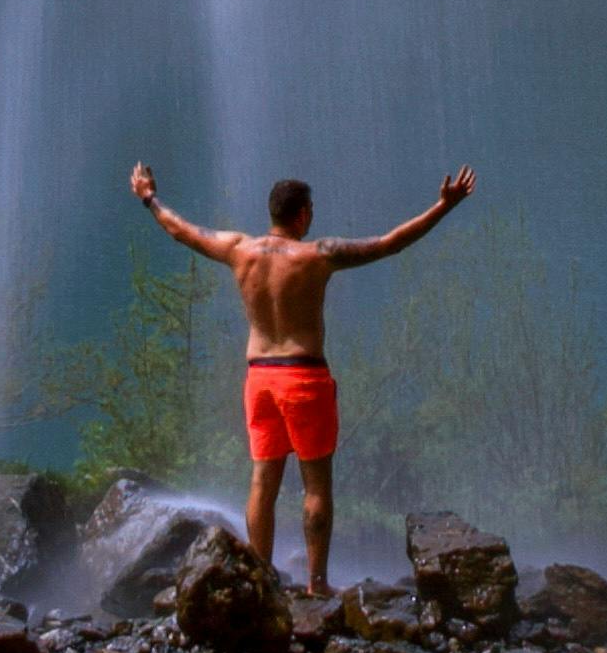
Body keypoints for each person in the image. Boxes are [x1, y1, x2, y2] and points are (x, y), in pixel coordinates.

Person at [129, 157, 472, 591]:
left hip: (259, 378)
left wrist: (149, 198)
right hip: (303, 377)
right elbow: (390, 243)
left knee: (262, 479)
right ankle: (317, 583)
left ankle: (260, 579)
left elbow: (181, 230)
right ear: (303, 214)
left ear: (272, 213)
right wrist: (444, 207)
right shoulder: (317, 255)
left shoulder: (239, 250)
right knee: (315, 485)